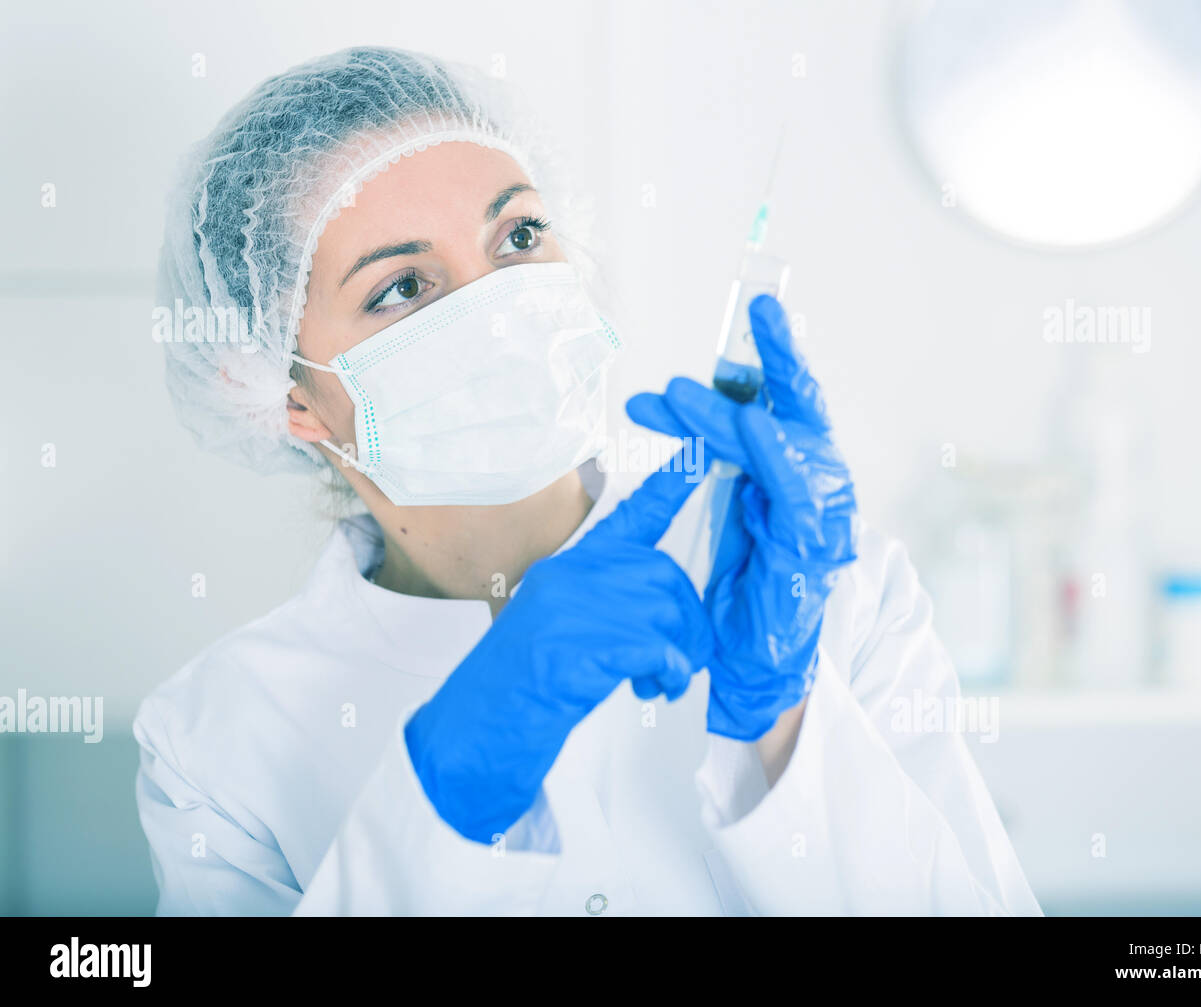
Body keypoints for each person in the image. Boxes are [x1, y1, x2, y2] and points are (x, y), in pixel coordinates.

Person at [136, 44, 1042, 916]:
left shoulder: (815, 594)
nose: (494, 309)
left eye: (519, 234)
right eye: (402, 287)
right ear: (291, 400)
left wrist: (785, 726)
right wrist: (447, 791)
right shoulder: (220, 739)